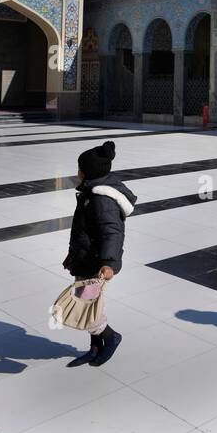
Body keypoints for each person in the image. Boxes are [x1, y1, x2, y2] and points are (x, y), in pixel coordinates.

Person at [62, 140, 136, 367]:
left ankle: (110, 337)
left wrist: (107, 263)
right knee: (90, 303)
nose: (77, 173)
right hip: (86, 257)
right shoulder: (92, 192)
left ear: (88, 172)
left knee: (85, 303)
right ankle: (95, 347)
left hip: (96, 263)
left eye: (80, 169)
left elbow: (111, 232)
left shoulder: (101, 199)